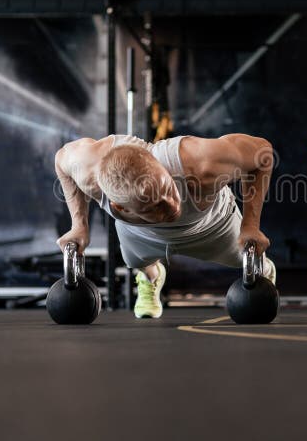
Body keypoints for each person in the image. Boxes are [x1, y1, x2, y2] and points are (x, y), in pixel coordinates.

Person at [54, 133, 276, 318]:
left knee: (247, 260)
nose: (171, 206)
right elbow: (60, 161)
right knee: (135, 261)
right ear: (121, 207)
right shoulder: (87, 172)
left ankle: (264, 268)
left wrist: (250, 225)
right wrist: (79, 226)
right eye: (154, 206)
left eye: (167, 189)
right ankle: (151, 276)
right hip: (140, 235)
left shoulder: (202, 164)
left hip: (211, 227)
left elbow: (263, 154)